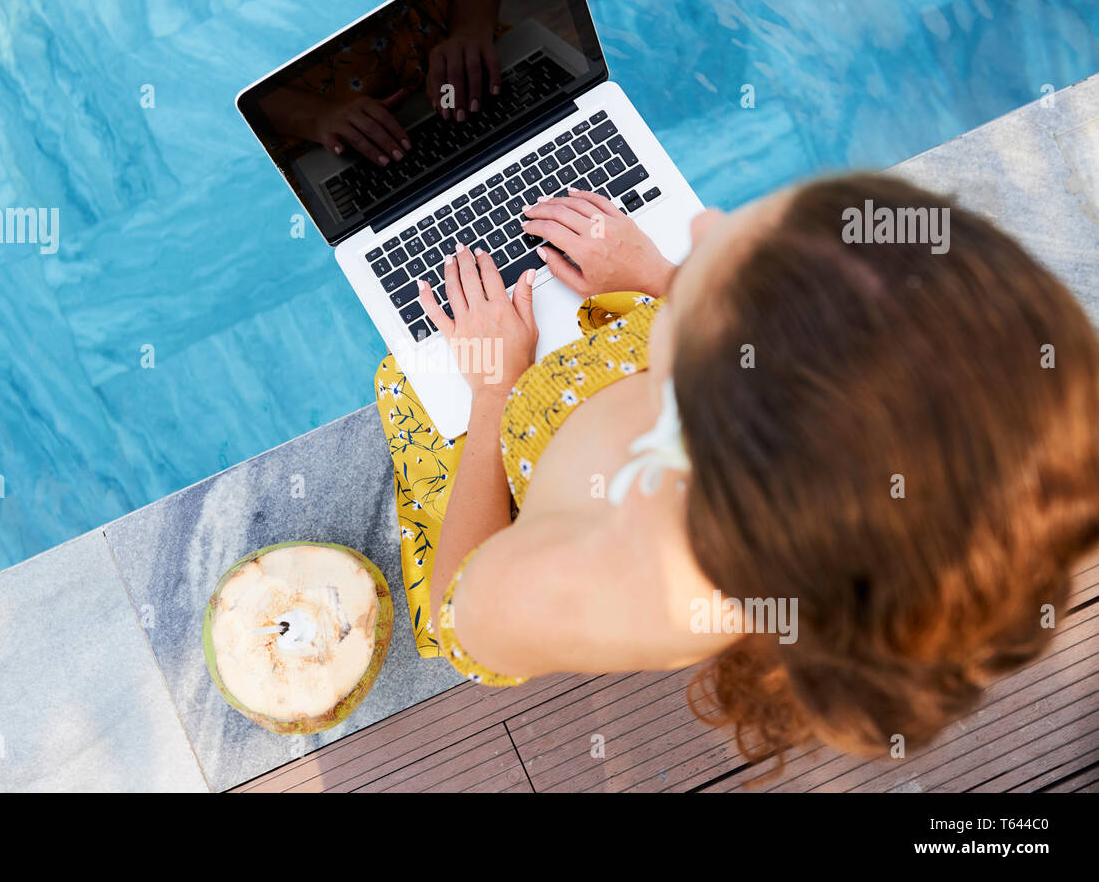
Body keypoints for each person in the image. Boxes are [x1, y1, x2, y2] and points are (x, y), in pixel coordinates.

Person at [374, 173, 1099, 766]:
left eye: (723, 260)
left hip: (507, 426)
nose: (701, 220)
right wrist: (659, 275)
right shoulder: (777, 432)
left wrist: (494, 389)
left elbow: (463, 625)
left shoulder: (627, 578)